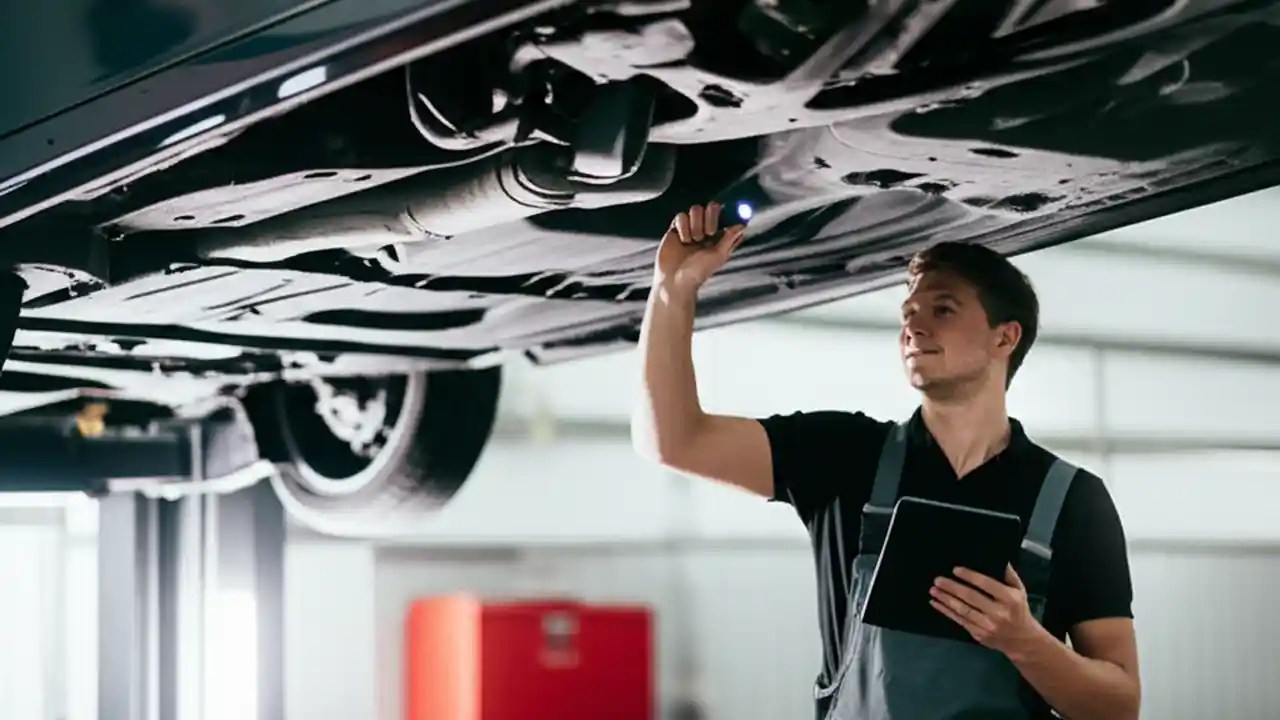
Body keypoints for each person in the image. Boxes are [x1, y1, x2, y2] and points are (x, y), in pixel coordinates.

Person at [631, 201, 1141, 720]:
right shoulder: (843, 455)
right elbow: (674, 439)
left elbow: (1118, 707)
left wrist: (1024, 640)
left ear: (1004, 336)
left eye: (942, 309)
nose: (913, 329)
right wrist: (673, 289)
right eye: (908, 315)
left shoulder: (1074, 501)